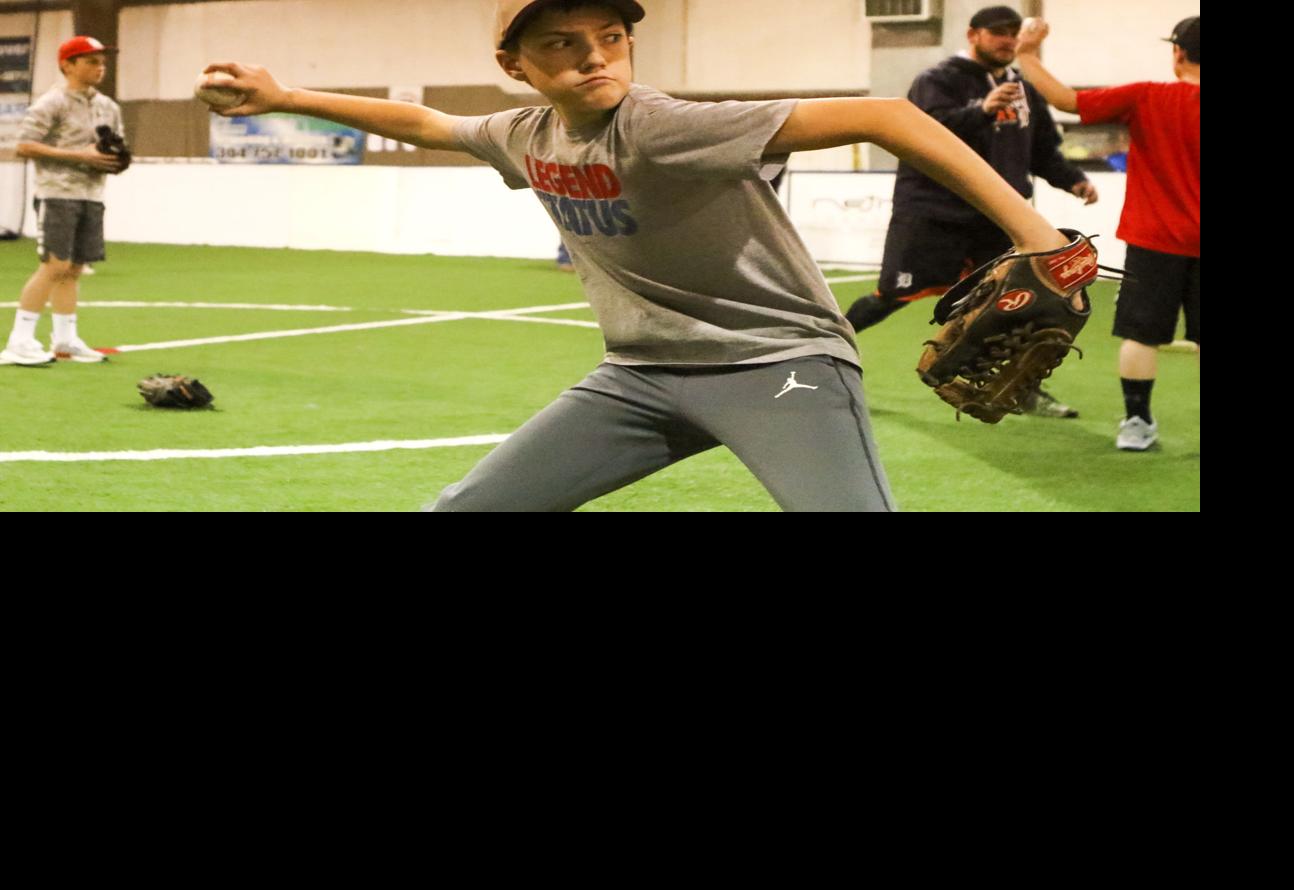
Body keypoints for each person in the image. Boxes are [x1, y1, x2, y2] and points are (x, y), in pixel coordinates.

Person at [200, 0, 1074, 511]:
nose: (592, 56)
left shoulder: (661, 127)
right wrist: (284, 96)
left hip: (779, 367)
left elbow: (887, 116)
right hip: (640, 375)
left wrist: (1035, 235)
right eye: (560, 44)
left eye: (609, 37)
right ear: (512, 64)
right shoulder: (524, 133)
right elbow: (429, 123)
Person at [844, 4, 1097, 419]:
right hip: (933, 213)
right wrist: (980, 110)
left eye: (1013, 32)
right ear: (973, 35)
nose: (1007, 39)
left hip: (997, 220)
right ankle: (816, 352)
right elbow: (920, 136)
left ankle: (1024, 390)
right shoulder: (938, 80)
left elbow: (1042, 151)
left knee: (1013, 302)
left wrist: (1072, 179)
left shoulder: (1023, 89)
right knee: (890, 295)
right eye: (997, 31)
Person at [1016, 15, 1199, 452]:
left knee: (1141, 335)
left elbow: (1064, 100)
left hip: (1154, 239)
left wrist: (1026, 52)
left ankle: (1137, 422)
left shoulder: (1147, 97)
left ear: (1177, 52)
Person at [3, 36, 123, 367]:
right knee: (54, 265)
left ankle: (65, 339)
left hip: (91, 194)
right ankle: (20, 340)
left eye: (102, 60)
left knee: (73, 269)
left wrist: (116, 158)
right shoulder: (50, 102)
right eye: (90, 60)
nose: (100, 66)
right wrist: (79, 156)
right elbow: (24, 145)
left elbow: (113, 146)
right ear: (67, 65)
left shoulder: (108, 107)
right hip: (57, 193)